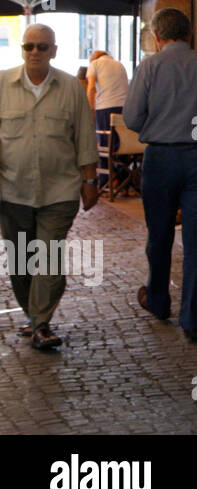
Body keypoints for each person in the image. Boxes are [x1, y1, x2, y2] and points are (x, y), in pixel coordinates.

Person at [124, 8, 197, 341]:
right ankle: (192, 319)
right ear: (189, 35)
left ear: (157, 36)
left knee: (159, 235)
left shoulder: (149, 67)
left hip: (160, 157)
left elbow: (131, 118)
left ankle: (159, 301)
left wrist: (159, 127)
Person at [0, 24, 98, 350]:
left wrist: (89, 181)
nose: (35, 53)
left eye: (43, 47)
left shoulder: (71, 87)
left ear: (54, 50)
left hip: (59, 190)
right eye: (30, 46)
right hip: (12, 190)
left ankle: (41, 323)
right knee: (21, 261)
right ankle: (33, 315)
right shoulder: (2, 85)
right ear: (22, 50)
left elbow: (85, 136)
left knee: (49, 257)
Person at [86, 49, 130, 188]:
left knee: (106, 146)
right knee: (121, 145)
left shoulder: (95, 64)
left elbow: (92, 87)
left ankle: (105, 181)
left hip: (105, 107)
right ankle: (124, 184)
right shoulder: (119, 64)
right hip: (124, 109)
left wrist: (89, 108)